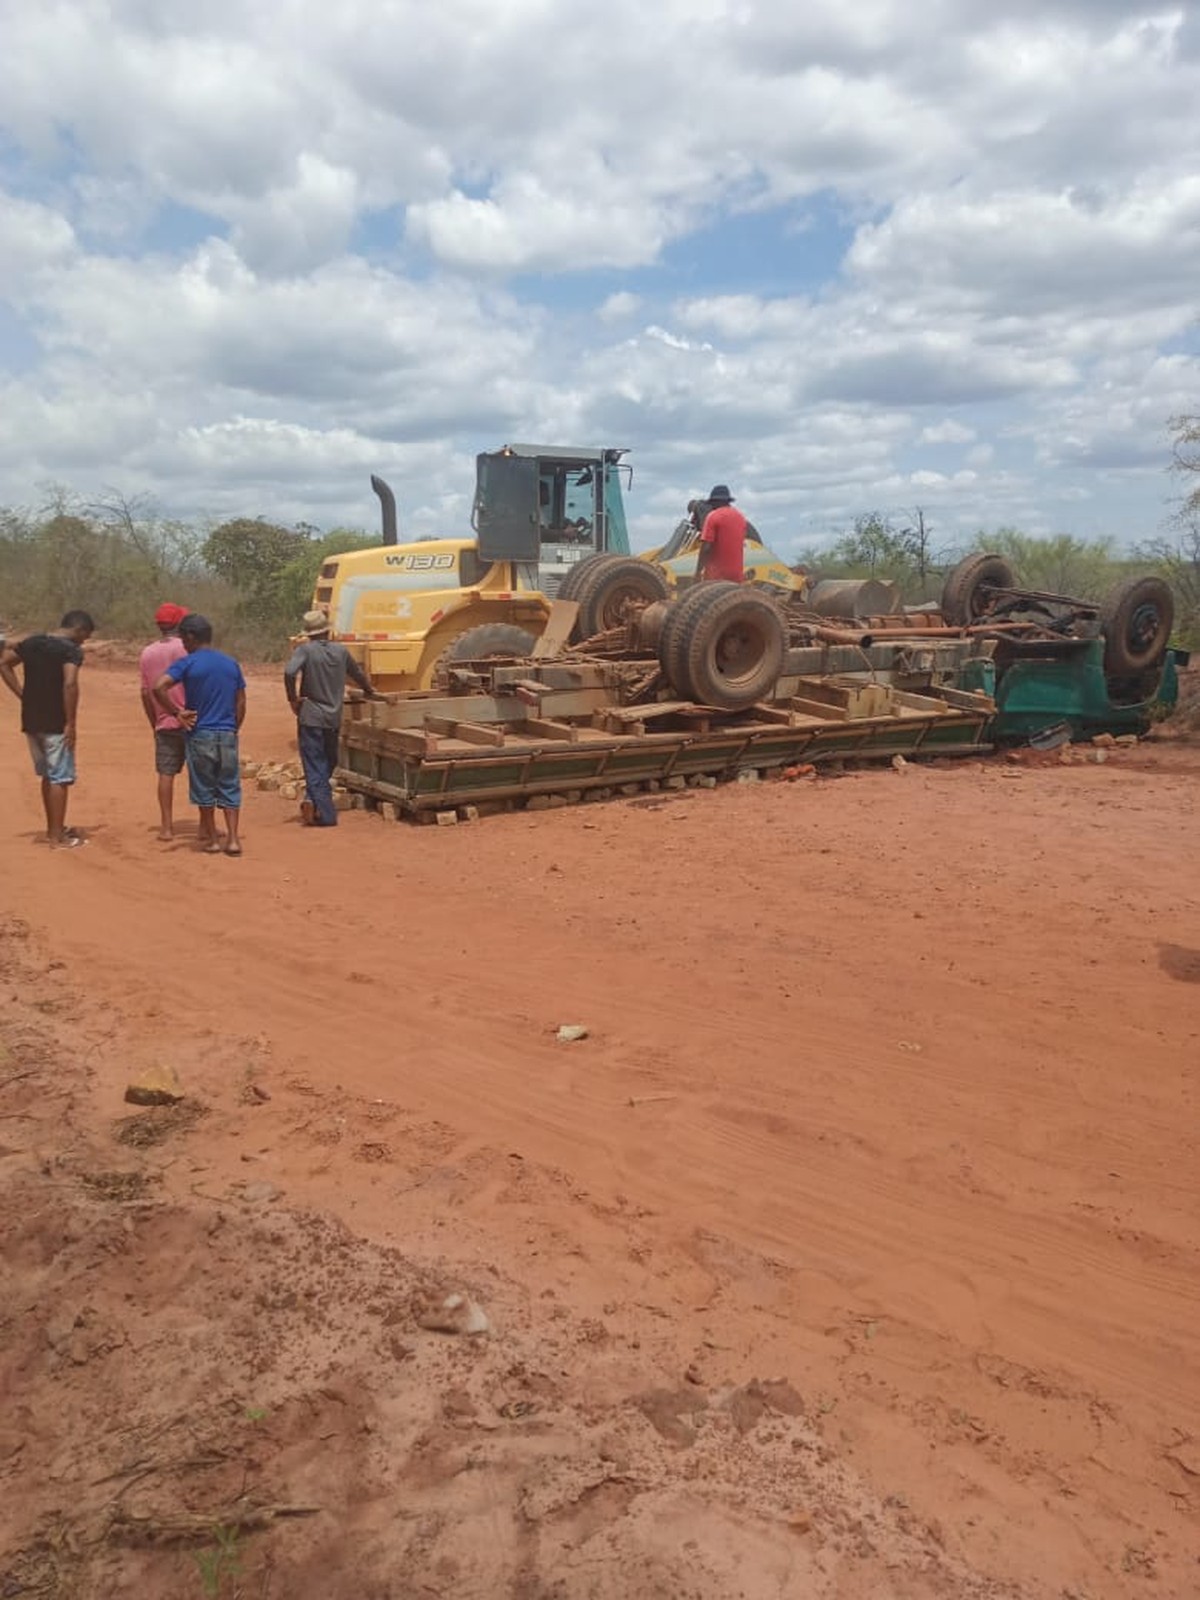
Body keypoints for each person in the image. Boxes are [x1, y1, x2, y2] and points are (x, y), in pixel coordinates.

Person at [0, 610, 96, 848]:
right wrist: (70, 723)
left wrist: (23, 695)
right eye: (86, 636)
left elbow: (3, 663)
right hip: (55, 722)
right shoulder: (70, 650)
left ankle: (53, 828)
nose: (84, 641)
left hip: (31, 720)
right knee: (60, 778)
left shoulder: (33, 642)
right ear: (79, 629)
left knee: (47, 775)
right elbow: (70, 683)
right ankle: (57, 837)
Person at [153, 613, 246, 856]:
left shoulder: (188, 663)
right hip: (226, 733)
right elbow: (241, 701)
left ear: (191, 637)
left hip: (201, 733)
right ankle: (234, 839)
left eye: (183, 638)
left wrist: (177, 712)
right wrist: (234, 728)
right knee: (229, 785)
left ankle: (213, 840)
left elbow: (158, 686)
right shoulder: (230, 663)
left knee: (204, 786)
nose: (182, 643)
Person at [284, 609, 381, 827]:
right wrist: (368, 690)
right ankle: (313, 800)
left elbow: (290, 672)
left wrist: (293, 698)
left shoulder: (305, 651)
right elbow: (357, 675)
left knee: (314, 763)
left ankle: (325, 814)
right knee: (328, 761)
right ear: (328, 631)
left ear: (308, 634)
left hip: (310, 717)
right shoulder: (341, 651)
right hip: (332, 717)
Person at [139, 602, 190, 841]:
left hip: (163, 721)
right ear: (180, 624)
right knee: (199, 773)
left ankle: (167, 827)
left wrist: (154, 721)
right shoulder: (188, 648)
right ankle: (204, 826)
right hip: (192, 719)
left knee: (165, 773)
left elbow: (145, 692)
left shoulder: (147, 653)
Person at [696, 484, 748, 583]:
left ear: (716, 501)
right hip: (736, 576)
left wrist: (698, 571)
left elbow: (706, 548)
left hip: (716, 576)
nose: (712, 506)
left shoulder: (713, 517)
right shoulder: (741, 518)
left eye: (712, 503)